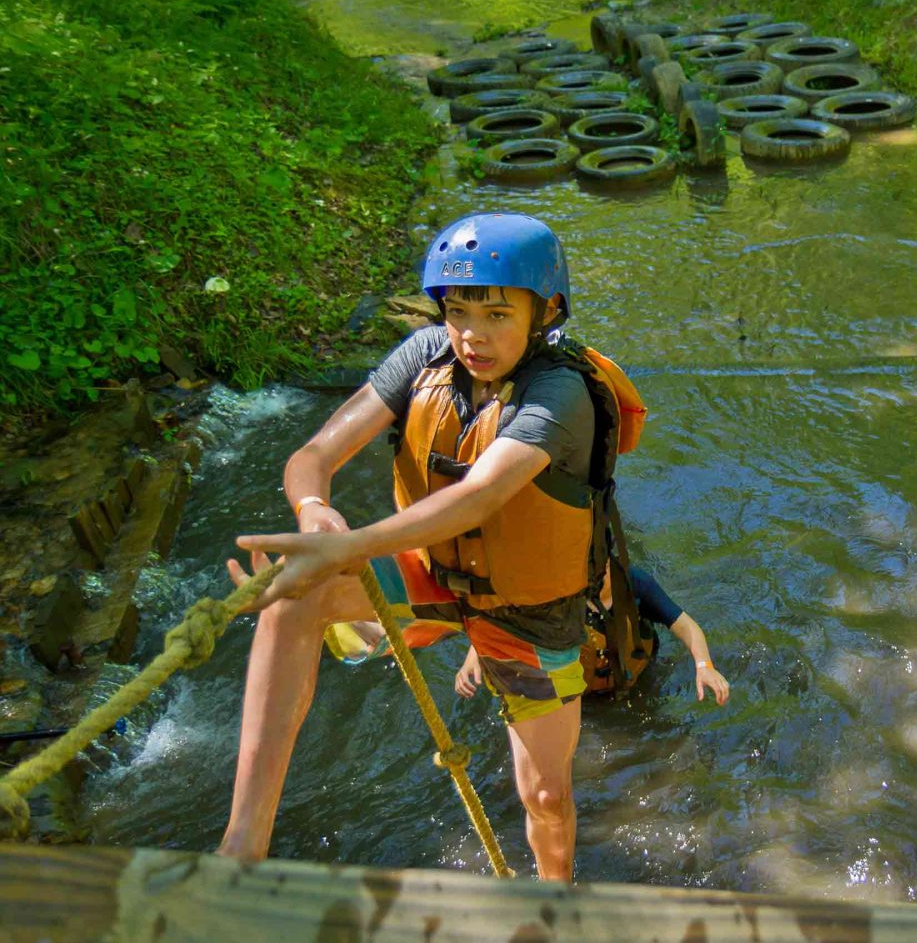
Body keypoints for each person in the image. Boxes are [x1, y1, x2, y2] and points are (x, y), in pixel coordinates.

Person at [219, 212, 638, 882]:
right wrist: (317, 512)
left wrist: (351, 543)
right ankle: (242, 846)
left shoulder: (560, 392)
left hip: (531, 609)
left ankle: (553, 896)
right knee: (293, 598)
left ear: (546, 310)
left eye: (497, 313)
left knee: (546, 796)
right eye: (459, 311)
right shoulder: (423, 357)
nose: (473, 334)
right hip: (434, 576)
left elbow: (479, 496)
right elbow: (315, 453)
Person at [457, 564, 731, 706]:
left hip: (639, 679)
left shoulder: (635, 582)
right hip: (582, 698)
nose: (599, 578)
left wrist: (704, 666)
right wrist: (475, 655)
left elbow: (687, 626)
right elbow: (508, 619)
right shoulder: (559, 594)